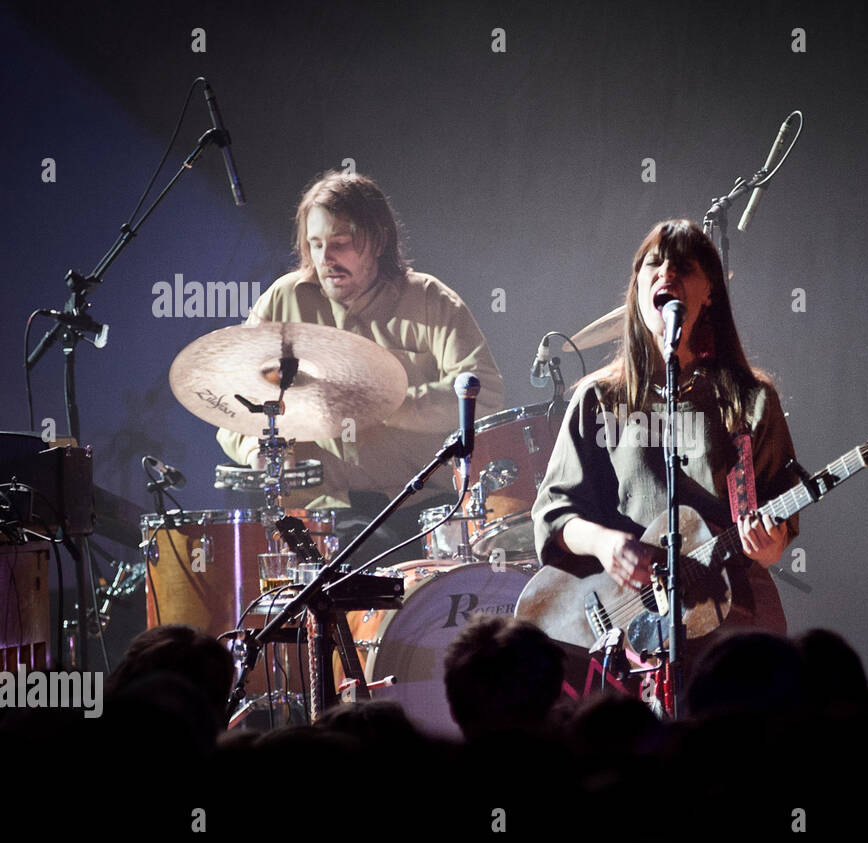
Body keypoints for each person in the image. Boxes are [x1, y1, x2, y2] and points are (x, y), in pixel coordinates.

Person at [531, 219, 799, 662]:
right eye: (654, 263)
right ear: (637, 288)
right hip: (627, 630)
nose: (666, 274)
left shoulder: (750, 401)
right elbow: (555, 514)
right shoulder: (598, 399)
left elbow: (779, 511)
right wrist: (604, 543)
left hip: (732, 622)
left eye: (685, 268)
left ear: (709, 293)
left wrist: (772, 545)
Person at [216, 171, 505, 536]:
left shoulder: (431, 300)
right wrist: (255, 449)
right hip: (321, 512)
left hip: (421, 505)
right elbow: (230, 399)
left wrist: (383, 403)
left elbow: (486, 396)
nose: (326, 258)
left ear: (379, 239)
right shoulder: (283, 300)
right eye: (316, 244)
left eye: (340, 242)